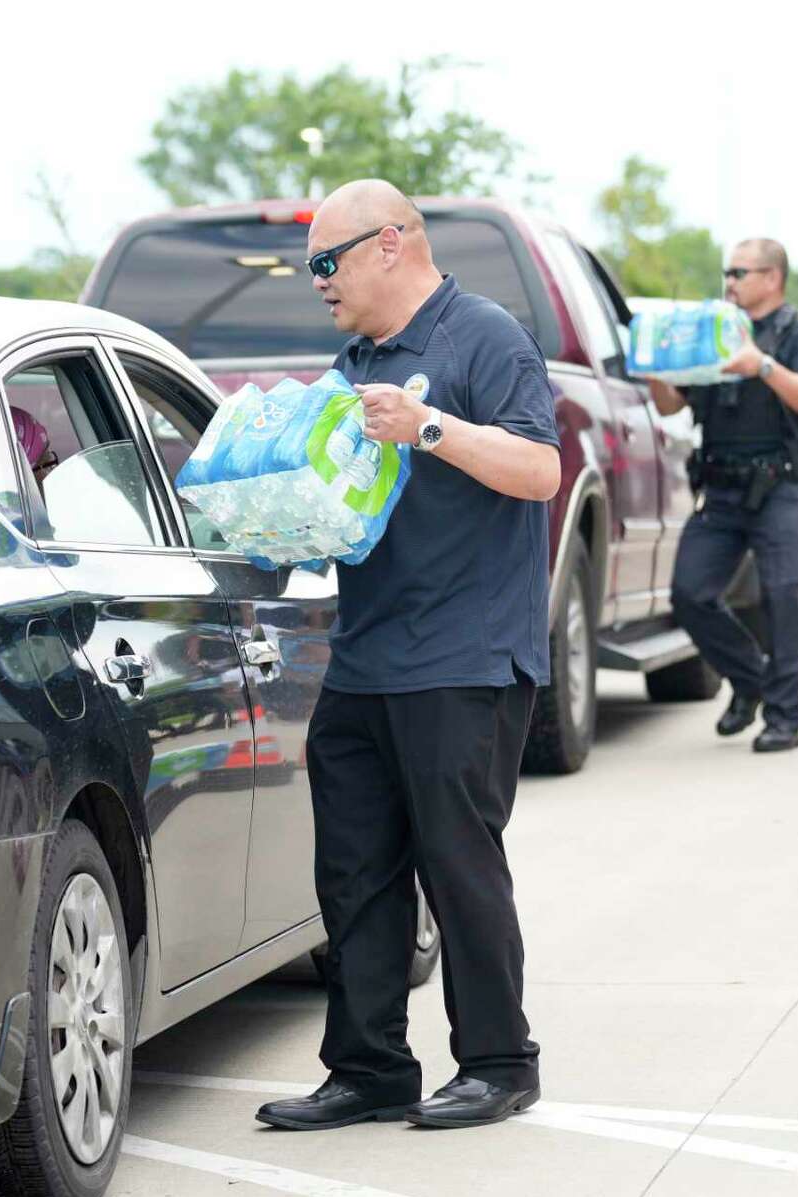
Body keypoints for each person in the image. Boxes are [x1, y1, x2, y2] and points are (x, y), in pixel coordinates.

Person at [255, 180, 561, 1133]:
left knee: (456, 861)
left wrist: (430, 426)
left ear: (389, 243)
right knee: (353, 870)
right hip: (369, 652)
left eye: (326, 261)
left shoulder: (485, 338)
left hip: (466, 654)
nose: (317, 283)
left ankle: (500, 1062)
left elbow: (541, 470)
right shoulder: (352, 361)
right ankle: (369, 1066)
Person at [646, 239, 798, 753]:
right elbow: (669, 405)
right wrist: (654, 366)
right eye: (726, 272)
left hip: (780, 486)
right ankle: (750, 680)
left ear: (772, 278)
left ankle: (783, 716)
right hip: (723, 489)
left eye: (739, 272)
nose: (728, 282)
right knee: (690, 594)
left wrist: (764, 367)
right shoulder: (713, 332)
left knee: (782, 594)